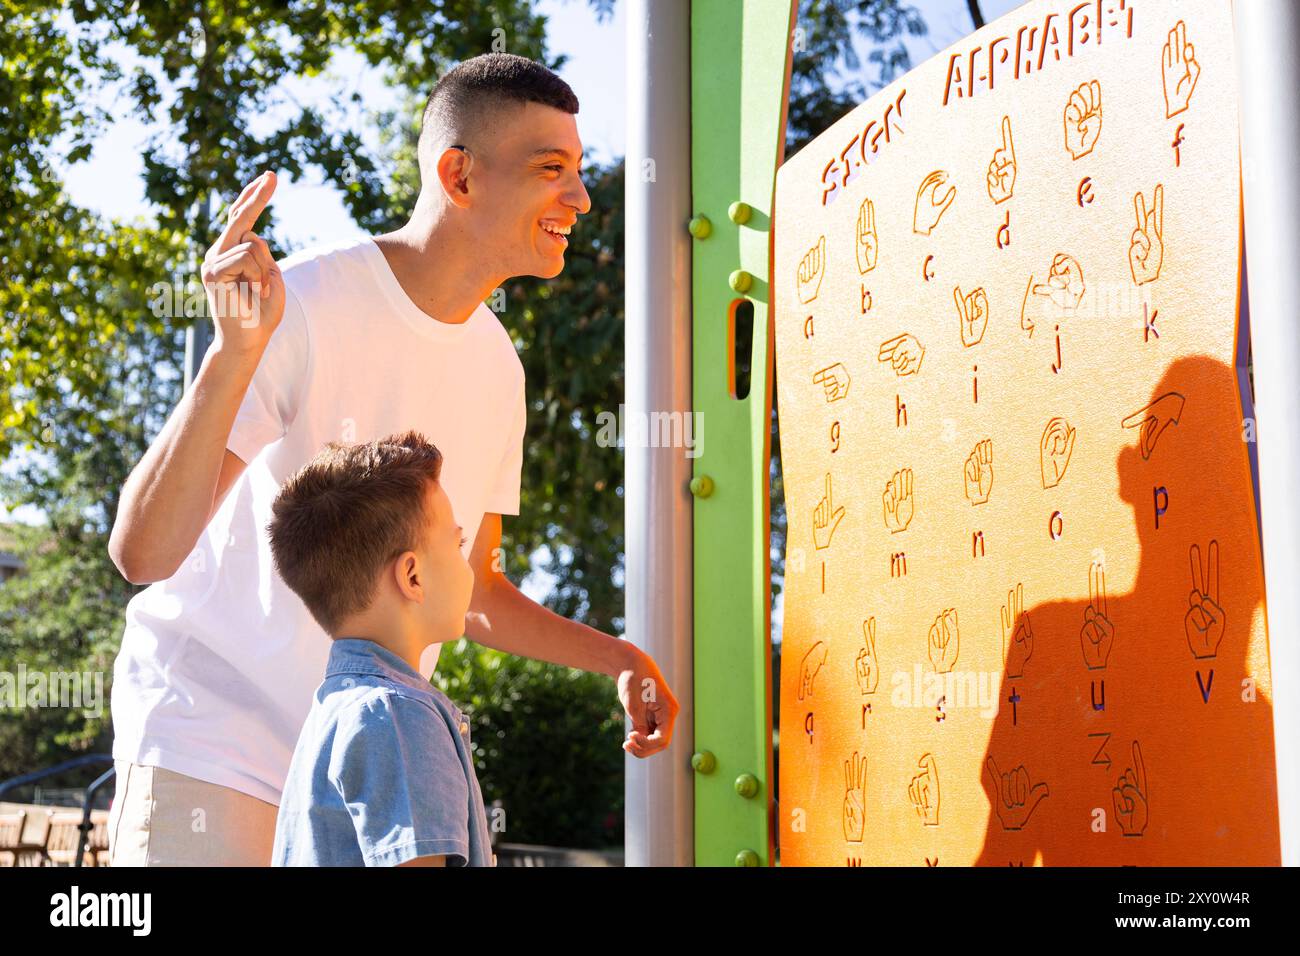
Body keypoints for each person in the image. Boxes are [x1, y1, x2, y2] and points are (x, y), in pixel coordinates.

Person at [106, 52, 678, 866]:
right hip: (208, 739)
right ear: (460, 175)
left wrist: (619, 657)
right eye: (552, 169)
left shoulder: (499, 371)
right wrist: (233, 355)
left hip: (351, 768)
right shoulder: (299, 304)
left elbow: (472, 591)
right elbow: (143, 553)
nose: (581, 198)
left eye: (579, 171)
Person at [269, 431, 493, 867]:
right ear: (413, 577)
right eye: (458, 543)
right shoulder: (397, 714)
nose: (468, 568)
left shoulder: (339, 706)